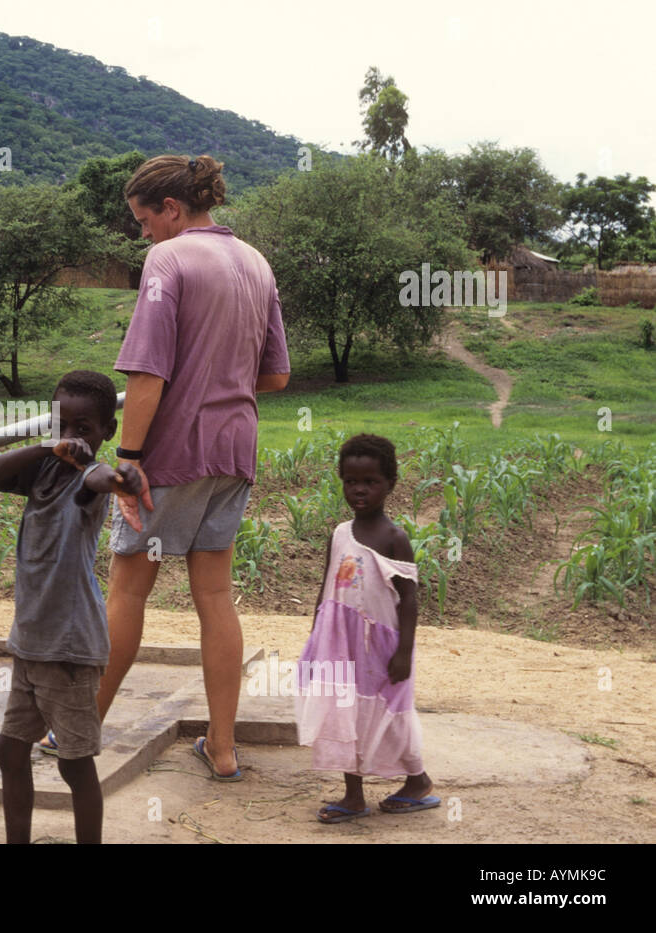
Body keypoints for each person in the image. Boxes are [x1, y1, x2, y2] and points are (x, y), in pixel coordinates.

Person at [87, 154, 289, 781]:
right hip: (235, 450)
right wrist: (221, 376)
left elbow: (148, 374)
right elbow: (276, 375)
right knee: (215, 597)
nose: (142, 234)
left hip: (172, 455)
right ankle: (222, 749)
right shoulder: (256, 262)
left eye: (144, 220)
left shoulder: (168, 260)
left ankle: (80, 729)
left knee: (128, 589)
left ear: (171, 209)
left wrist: (127, 459)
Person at [0, 370, 143, 844]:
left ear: (105, 432)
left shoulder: (87, 479)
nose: (72, 436)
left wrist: (118, 476)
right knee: (9, 752)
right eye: (62, 423)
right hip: (32, 643)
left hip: (70, 649)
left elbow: (101, 478)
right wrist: (47, 448)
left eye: (85, 428)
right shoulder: (42, 467)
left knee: (75, 766)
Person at [296, 434, 439, 823]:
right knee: (345, 713)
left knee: (391, 715)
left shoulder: (395, 539)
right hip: (339, 644)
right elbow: (326, 590)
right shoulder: (340, 534)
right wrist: (314, 640)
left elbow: (408, 599)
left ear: (390, 484)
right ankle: (353, 797)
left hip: (381, 648)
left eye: (370, 482)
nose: (359, 489)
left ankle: (417, 781)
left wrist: (405, 651)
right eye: (351, 481)